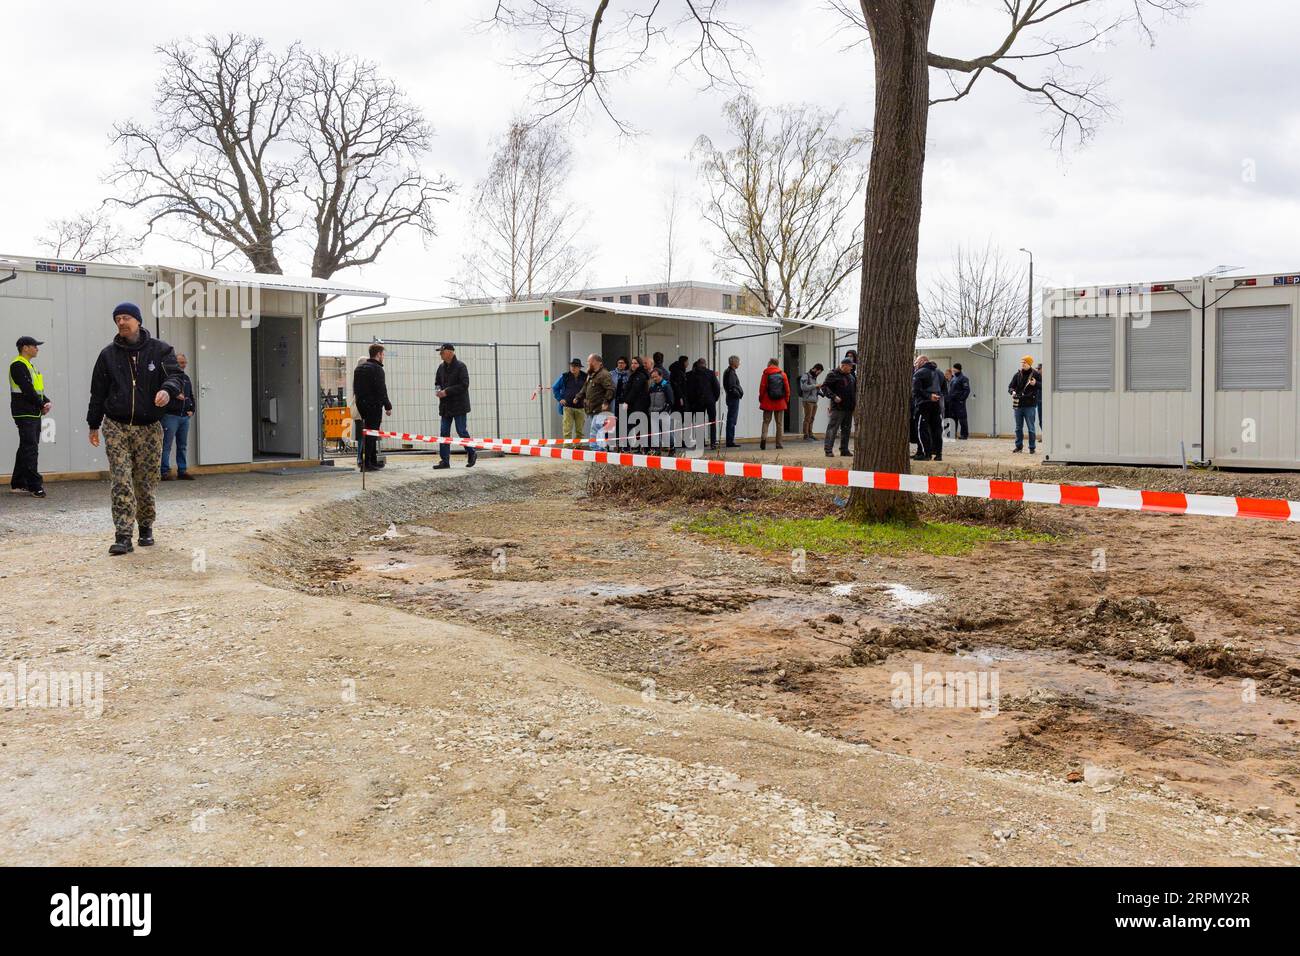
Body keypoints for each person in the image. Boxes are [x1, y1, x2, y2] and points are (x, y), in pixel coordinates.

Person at [87, 302, 184, 555]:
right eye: (117, 318)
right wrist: (93, 424)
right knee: (121, 479)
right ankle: (123, 535)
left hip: (149, 427)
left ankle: (146, 527)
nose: (121, 322)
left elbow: (175, 376)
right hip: (116, 426)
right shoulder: (107, 355)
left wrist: (167, 390)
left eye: (126, 317)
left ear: (138, 321)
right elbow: (97, 393)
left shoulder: (161, 350)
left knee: (146, 481)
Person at [9, 335, 51, 498]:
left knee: (26, 447)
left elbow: (35, 389)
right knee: (31, 448)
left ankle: (18, 483)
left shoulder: (29, 365)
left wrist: (45, 401)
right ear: (25, 348)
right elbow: (26, 389)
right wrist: (41, 405)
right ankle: (35, 485)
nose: (37, 348)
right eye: (34, 346)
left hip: (32, 411)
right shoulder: (18, 365)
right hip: (24, 411)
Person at [433, 343, 476, 470]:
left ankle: (472, 452)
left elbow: (464, 385)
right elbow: (437, 382)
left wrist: (446, 391)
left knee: (461, 430)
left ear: (450, 352)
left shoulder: (461, 366)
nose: (440, 354)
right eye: (440, 352)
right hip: (446, 406)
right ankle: (444, 460)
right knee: (444, 432)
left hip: (459, 406)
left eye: (442, 351)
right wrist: (438, 391)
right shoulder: (441, 367)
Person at [352, 344, 392, 471]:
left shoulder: (359, 368)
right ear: (378, 354)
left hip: (362, 404)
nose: (383, 357)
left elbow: (356, 389)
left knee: (369, 432)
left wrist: (361, 402)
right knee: (371, 434)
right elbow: (381, 389)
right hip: (374, 405)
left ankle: (371, 460)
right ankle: (367, 463)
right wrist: (387, 406)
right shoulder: (377, 369)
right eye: (382, 354)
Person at [159, 353, 197, 481]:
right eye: (181, 363)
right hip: (170, 416)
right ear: (175, 363)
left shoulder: (186, 378)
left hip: (184, 417)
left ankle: (182, 470)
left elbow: (190, 394)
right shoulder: (167, 377)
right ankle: (164, 471)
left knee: (182, 445)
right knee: (166, 445)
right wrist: (174, 394)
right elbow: (162, 394)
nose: (184, 365)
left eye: (185, 362)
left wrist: (192, 409)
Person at [820, 357, 855, 458]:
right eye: (850, 366)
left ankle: (844, 450)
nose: (851, 368)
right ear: (843, 365)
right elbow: (824, 387)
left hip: (849, 408)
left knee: (846, 429)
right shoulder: (833, 374)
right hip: (838, 408)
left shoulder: (851, 377)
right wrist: (833, 396)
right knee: (832, 428)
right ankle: (828, 450)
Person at [911, 354, 944, 462]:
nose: (915, 365)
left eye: (916, 363)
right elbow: (945, 390)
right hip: (937, 405)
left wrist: (929, 396)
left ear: (922, 362)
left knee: (922, 429)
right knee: (937, 429)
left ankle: (926, 454)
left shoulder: (919, 373)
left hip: (923, 405)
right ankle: (938, 454)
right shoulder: (939, 373)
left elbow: (916, 390)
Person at [580, 353, 615, 450]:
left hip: (601, 409)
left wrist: (606, 402)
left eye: (589, 362)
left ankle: (596, 451)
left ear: (595, 362)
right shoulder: (591, 375)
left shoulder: (604, 374)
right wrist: (578, 396)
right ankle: (600, 450)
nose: (588, 363)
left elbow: (611, 389)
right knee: (598, 430)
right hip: (592, 408)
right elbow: (585, 388)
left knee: (595, 430)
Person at [1008, 355, 1041, 454]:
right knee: (1018, 427)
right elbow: (1010, 387)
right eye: (1022, 362)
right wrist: (1012, 391)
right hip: (1018, 405)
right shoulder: (1017, 375)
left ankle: (1032, 448)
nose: (1023, 364)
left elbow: (1043, 385)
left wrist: (1035, 383)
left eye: (1025, 362)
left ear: (1029, 364)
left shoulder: (1035, 374)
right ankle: (1019, 447)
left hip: (1030, 405)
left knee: (1031, 427)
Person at [685, 357, 721, 449]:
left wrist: (693, 401)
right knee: (712, 421)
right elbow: (717, 387)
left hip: (698, 401)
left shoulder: (693, 374)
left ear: (697, 364)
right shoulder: (711, 373)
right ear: (705, 364)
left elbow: (690, 390)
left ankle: (701, 442)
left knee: (700, 422)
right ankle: (713, 443)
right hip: (710, 401)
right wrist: (714, 398)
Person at [757, 357, 790, 451]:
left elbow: (762, 387)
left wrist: (761, 399)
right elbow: (787, 389)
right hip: (780, 401)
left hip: (768, 400)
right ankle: (779, 444)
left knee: (766, 421)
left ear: (770, 363)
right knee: (779, 423)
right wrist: (786, 400)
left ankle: (763, 439)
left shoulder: (766, 374)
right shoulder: (783, 374)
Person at [552, 358, 587, 441]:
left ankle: (578, 446)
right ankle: (567, 447)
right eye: (571, 366)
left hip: (581, 407)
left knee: (580, 430)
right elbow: (555, 388)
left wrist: (586, 399)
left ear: (579, 367)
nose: (573, 368)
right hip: (567, 407)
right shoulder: (564, 376)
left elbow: (587, 389)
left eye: (575, 366)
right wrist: (560, 399)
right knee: (567, 430)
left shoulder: (585, 376)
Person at [623, 356, 651, 449]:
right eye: (632, 363)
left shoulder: (640, 375)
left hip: (638, 406)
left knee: (634, 426)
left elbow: (634, 390)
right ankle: (636, 447)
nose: (633, 365)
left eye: (635, 363)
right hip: (635, 406)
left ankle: (632, 447)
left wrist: (626, 402)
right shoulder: (636, 374)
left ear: (640, 364)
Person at [647, 366, 675, 454]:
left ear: (661, 376)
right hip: (653, 412)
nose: (654, 379)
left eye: (656, 377)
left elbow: (671, 401)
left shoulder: (666, 386)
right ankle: (657, 450)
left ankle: (672, 447)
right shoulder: (652, 387)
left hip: (663, 413)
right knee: (655, 433)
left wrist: (665, 411)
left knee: (666, 432)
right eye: (653, 377)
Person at [722, 355, 743, 448]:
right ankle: (730, 441)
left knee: (731, 419)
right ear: (734, 363)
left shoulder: (729, 372)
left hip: (731, 398)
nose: (739, 363)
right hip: (733, 399)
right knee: (732, 419)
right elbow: (731, 387)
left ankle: (730, 440)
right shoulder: (730, 373)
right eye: (738, 361)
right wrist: (738, 394)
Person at [798, 364, 824, 441]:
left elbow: (814, 388)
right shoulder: (805, 376)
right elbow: (804, 387)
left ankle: (810, 434)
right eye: (818, 372)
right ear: (815, 369)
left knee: (812, 418)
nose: (819, 374)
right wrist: (815, 385)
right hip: (807, 401)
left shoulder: (814, 377)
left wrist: (820, 390)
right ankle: (806, 435)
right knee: (807, 418)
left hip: (814, 401)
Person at [947, 362, 971, 440]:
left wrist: (961, 400)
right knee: (953, 419)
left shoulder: (963, 378)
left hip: (959, 402)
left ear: (957, 369)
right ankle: (952, 434)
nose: (953, 370)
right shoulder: (953, 378)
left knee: (962, 419)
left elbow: (967, 390)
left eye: (954, 368)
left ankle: (964, 435)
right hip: (952, 402)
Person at [1035, 362, 1046, 432]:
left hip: (1045, 402)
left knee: (1046, 420)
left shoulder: (1047, 378)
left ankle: (1047, 437)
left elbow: (1044, 386)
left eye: (1039, 369)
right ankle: (1044, 436)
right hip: (1039, 402)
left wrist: (1036, 383)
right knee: (1041, 420)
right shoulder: (1037, 377)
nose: (1038, 370)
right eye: (1037, 369)